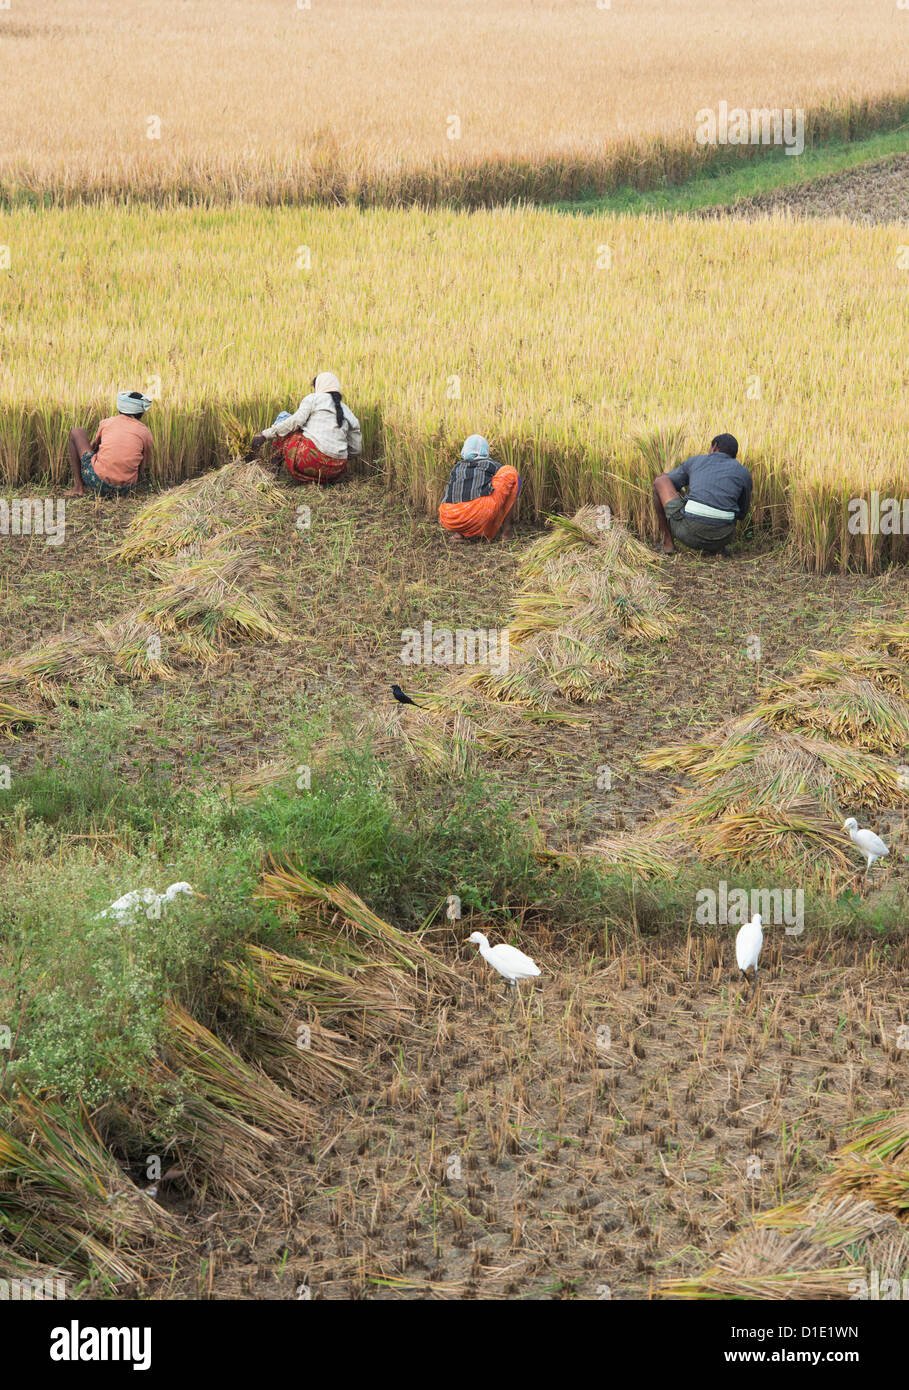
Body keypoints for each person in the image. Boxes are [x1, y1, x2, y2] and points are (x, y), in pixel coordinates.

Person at [247, 372, 361, 483]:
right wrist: (336, 457)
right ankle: (320, 478)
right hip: (335, 471)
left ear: (319, 386)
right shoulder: (348, 412)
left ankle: (272, 473)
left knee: (284, 418)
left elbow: (294, 422)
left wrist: (264, 435)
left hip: (310, 463)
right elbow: (356, 449)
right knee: (290, 424)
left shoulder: (314, 398)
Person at [652, 433, 752, 556]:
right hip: (724, 536)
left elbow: (669, 482)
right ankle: (718, 548)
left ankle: (668, 543)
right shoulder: (743, 472)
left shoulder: (696, 460)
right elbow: (742, 513)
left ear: (714, 447)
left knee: (660, 481)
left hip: (689, 534)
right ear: (735, 455)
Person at [65, 391, 153, 498]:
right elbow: (144, 461)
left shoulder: (107, 422)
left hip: (97, 482)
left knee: (76, 431)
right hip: (126, 488)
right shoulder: (145, 432)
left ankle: (78, 487)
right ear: (141, 412)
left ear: (119, 408)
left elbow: (94, 447)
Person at [438, 435, 520, 543]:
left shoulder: (457, 467)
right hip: (476, 515)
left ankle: (459, 534)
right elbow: (503, 488)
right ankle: (506, 532)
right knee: (511, 473)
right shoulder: (492, 465)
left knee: (462, 494)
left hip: (448, 516)